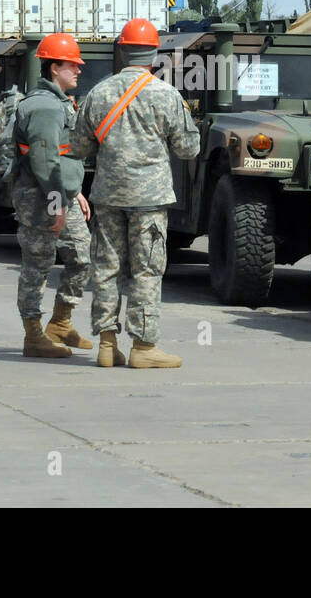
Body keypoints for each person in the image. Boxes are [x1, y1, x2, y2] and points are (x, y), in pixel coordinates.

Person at [71, 18, 199, 369]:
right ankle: (143, 346)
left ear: (122, 51)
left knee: (107, 268)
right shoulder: (167, 95)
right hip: (149, 198)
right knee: (146, 270)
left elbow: (78, 146)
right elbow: (189, 148)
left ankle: (107, 345)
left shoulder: (99, 93)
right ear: (154, 54)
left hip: (108, 195)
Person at [11, 33, 94, 358]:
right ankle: (33, 334)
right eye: (72, 65)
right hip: (42, 198)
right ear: (54, 67)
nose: (78, 71)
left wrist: (74, 192)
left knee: (82, 257)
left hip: (60, 194)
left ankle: (60, 323)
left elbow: (62, 157)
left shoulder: (58, 102)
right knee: (37, 265)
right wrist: (59, 201)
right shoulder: (45, 107)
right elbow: (44, 161)